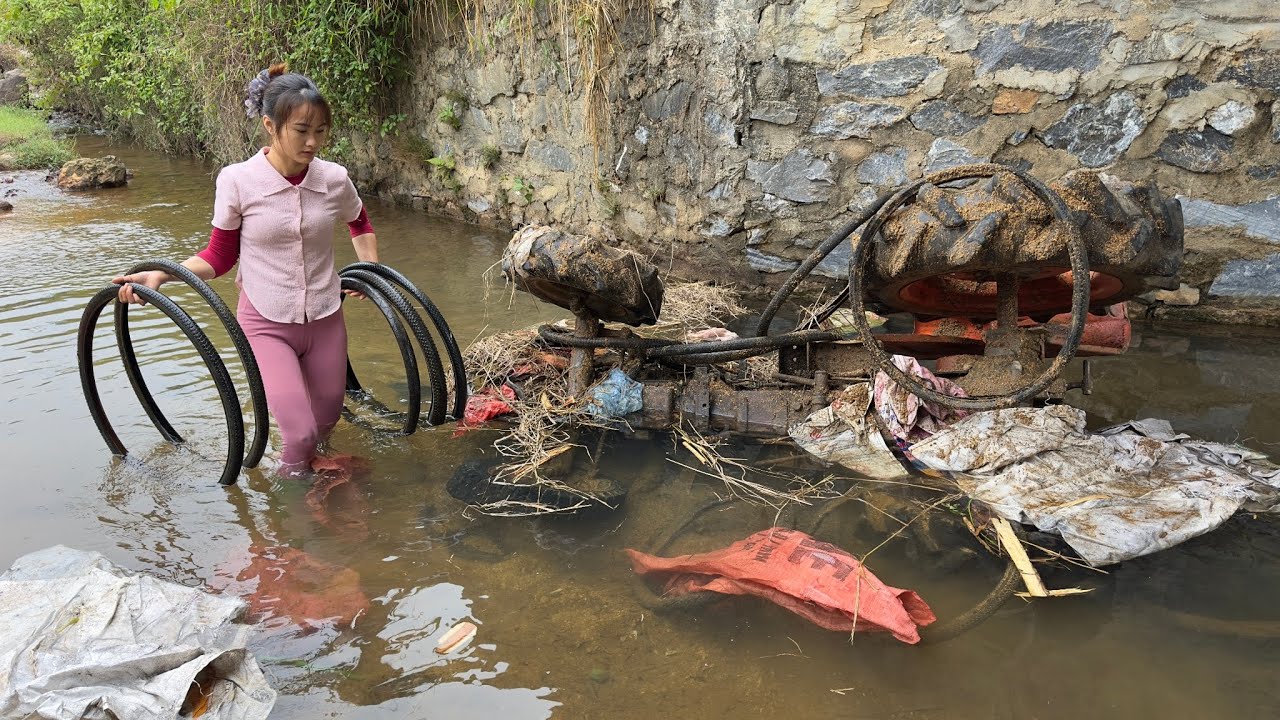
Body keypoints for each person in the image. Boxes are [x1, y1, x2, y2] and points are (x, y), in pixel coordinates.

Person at [113, 63, 378, 478]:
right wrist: (162, 275)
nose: (313, 142)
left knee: (326, 424)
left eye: (322, 131)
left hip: (326, 317)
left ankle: (319, 500)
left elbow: (359, 221)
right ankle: (287, 520)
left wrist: (370, 269)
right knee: (302, 434)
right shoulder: (238, 181)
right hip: (267, 322)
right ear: (271, 126)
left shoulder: (333, 179)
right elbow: (219, 256)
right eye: (302, 130)